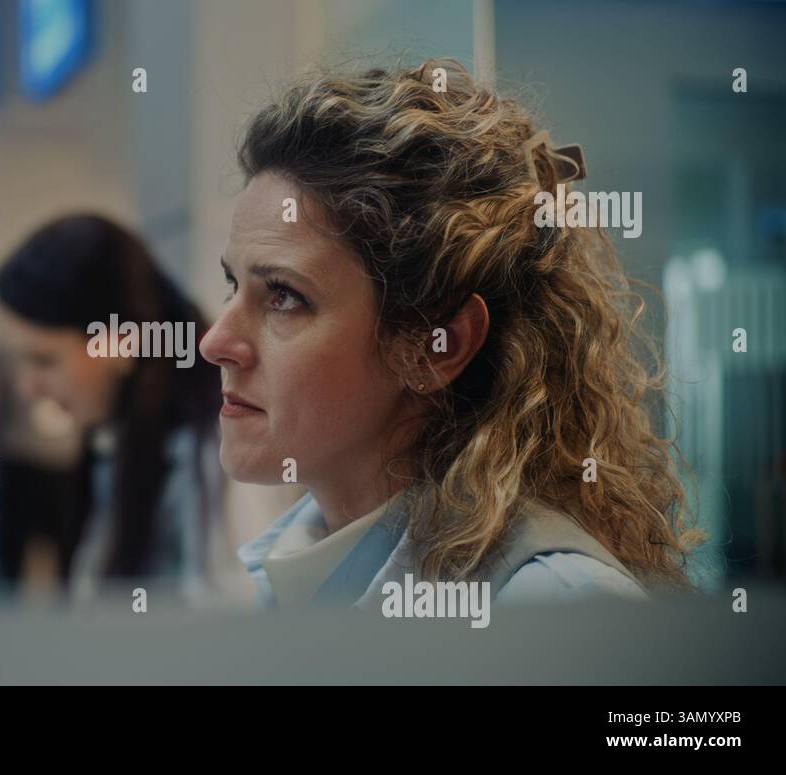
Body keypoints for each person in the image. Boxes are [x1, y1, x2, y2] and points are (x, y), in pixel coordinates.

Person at [198, 60, 706, 609]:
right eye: (233, 285)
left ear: (438, 345)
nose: (215, 342)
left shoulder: (560, 604)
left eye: (283, 296)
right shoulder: (274, 580)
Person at [0, 214, 227, 603]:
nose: (27, 386)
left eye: (46, 360)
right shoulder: (118, 445)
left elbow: (235, 624)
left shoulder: (213, 452)